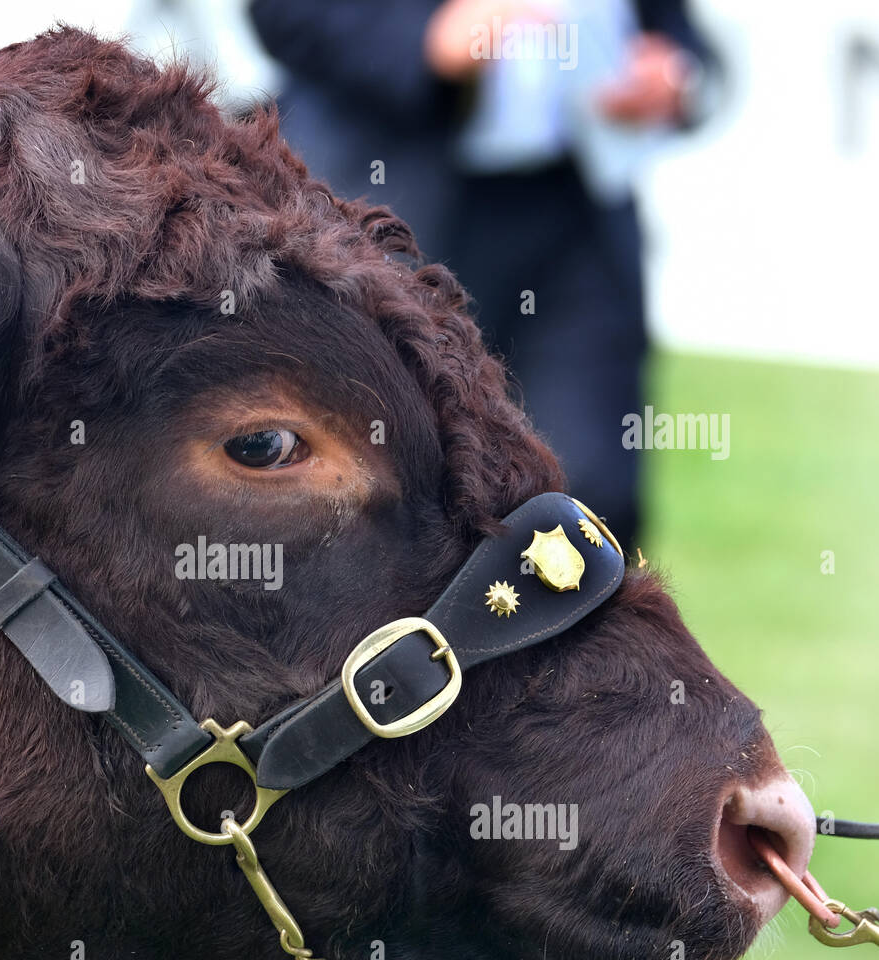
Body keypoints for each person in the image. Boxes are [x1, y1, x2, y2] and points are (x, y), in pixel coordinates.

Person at [249, 0, 720, 550]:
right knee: (387, 481)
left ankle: (562, 631)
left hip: (575, 210)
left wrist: (676, 81)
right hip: (394, 213)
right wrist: (426, 40)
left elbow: (679, 39)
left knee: (593, 494)